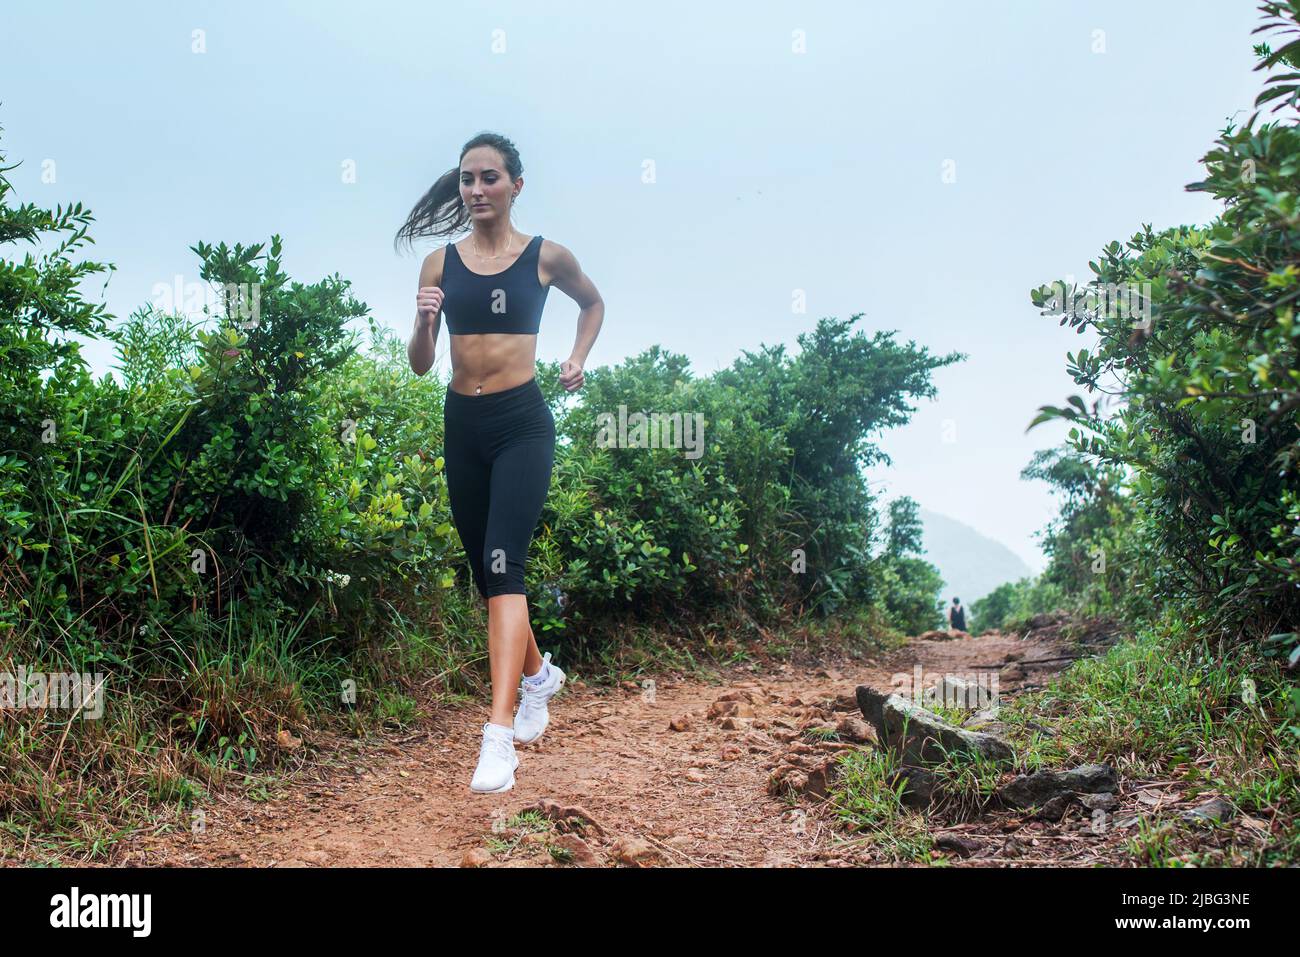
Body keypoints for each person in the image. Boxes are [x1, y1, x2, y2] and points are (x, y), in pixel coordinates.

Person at [399, 132, 605, 793]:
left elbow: (593, 302)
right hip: (463, 425)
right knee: (489, 580)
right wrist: (425, 322)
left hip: (521, 424)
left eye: (490, 177)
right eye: (467, 179)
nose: (477, 189)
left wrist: (577, 357)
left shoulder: (546, 257)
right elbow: (422, 363)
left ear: (516, 185)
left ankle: (498, 735)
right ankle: (540, 676)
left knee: (504, 565)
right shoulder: (439, 264)